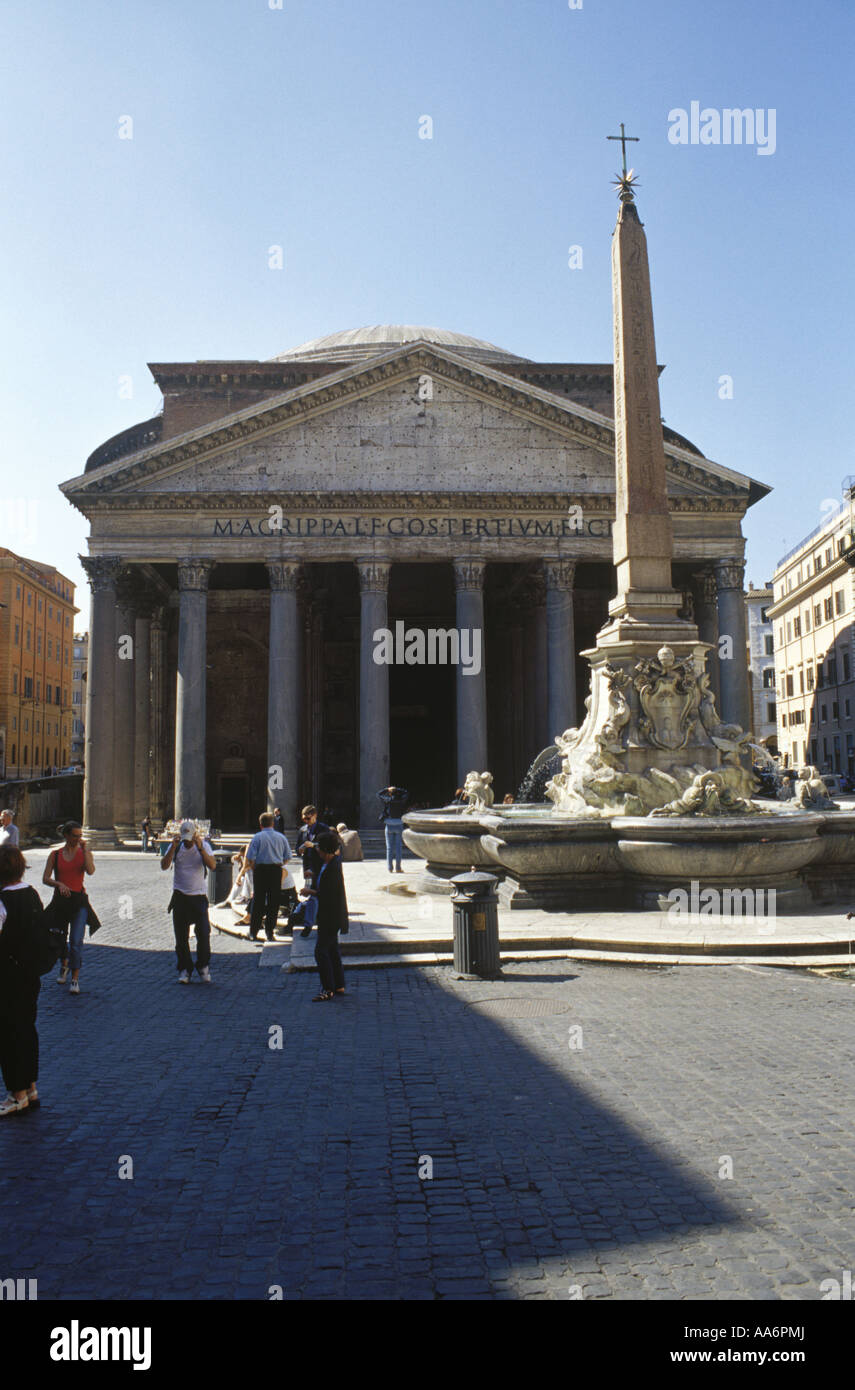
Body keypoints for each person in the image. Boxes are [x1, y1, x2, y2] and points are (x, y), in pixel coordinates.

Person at [0, 845, 43, 1116]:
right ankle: (30, 1087)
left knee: (8, 1035)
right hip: (30, 974)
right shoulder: (31, 894)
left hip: (7, 976)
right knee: (26, 1030)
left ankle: (16, 1095)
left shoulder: (2, 900)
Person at [42, 821, 96, 995]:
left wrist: (86, 851)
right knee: (59, 937)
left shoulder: (84, 853)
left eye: (80, 836)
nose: (78, 839)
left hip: (79, 901)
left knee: (76, 941)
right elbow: (45, 878)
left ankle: (75, 978)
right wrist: (58, 884)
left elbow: (90, 871)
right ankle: (63, 966)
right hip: (61, 901)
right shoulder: (55, 855)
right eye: (75, 835)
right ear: (66, 836)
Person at [161, 819, 216, 983]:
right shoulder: (177, 848)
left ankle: (203, 966)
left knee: (204, 934)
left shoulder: (203, 846)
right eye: (185, 839)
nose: (187, 842)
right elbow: (164, 865)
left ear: (195, 836)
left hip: (198, 897)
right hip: (180, 897)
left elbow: (212, 865)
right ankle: (185, 969)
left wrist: (200, 848)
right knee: (181, 938)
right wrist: (172, 847)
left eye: (190, 839)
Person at [301, 831, 348, 1001]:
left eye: (319, 848)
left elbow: (327, 894)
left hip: (330, 914)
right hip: (329, 913)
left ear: (326, 850)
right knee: (332, 949)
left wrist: (309, 891)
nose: (318, 851)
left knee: (320, 951)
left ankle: (327, 988)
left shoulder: (333, 867)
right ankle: (339, 984)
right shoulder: (329, 864)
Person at [244, 812, 292, 943]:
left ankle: (253, 932)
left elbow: (249, 857)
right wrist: (279, 864)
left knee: (258, 901)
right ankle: (269, 932)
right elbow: (288, 856)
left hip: (261, 870)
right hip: (275, 870)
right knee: (273, 902)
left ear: (260, 824)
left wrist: (254, 867)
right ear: (273, 823)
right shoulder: (281, 837)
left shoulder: (257, 837)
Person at [295, 805, 330, 937]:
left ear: (314, 815)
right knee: (312, 896)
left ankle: (318, 922)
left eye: (308, 818)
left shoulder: (324, 829)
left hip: (322, 866)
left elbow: (329, 847)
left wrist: (314, 845)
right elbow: (297, 848)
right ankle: (308, 924)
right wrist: (300, 850)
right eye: (304, 819)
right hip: (309, 868)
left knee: (320, 895)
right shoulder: (302, 830)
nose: (306, 821)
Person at [378, 785, 409, 873]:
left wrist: (387, 789)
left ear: (390, 793)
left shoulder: (387, 800)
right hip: (399, 823)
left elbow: (378, 794)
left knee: (389, 848)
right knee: (398, 847)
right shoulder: (401, 800)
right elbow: (406, 792)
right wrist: (398, 789)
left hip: (389, 823)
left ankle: (390, 868)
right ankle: (398, 868)